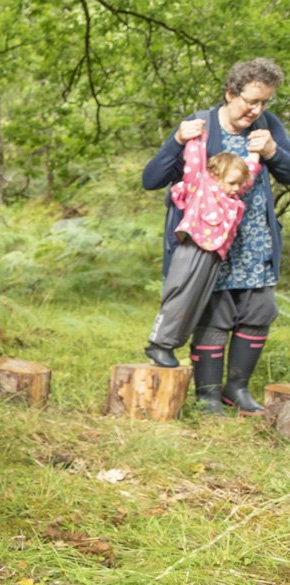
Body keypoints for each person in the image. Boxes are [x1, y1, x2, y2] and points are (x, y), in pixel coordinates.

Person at [143, 58, 290, 415]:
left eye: (264, 102)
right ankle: (207, 395)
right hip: (207, 245)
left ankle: (236, 390)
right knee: (213, 315)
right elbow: (151, 179)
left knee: (258, 311)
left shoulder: (269, 127)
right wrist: (177, 141)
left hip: (255, 242)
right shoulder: (200, 125)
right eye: (250, 101)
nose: (257, 110)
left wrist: (273, 152)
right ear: (229, 93)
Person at [144, 135, 261, 369]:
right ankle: (159, 343)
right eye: (231, 183)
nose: (237, 188)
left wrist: (255, 153)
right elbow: (195, 162)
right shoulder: (202, 185)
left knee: (197, 302)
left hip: (213, 255)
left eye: (239, 184)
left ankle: (171, 345)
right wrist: (196, 138)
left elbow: (247, 174)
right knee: (181, 296)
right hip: (193, 249)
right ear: (215, 176)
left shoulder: (232, 195)